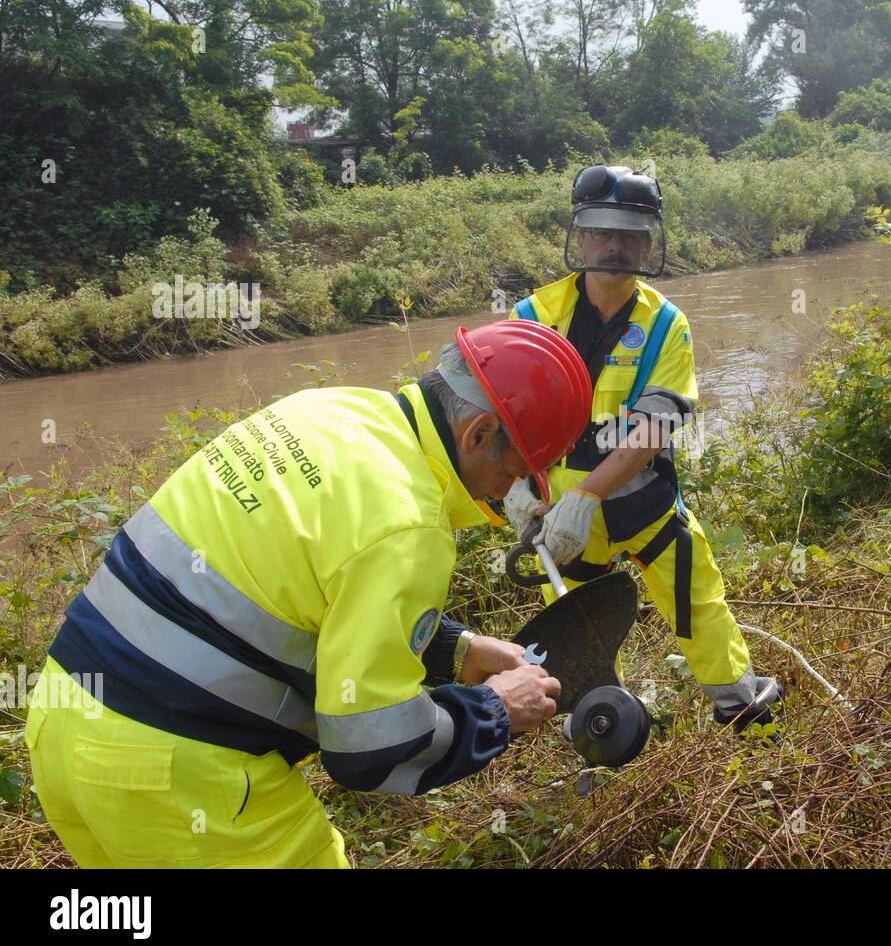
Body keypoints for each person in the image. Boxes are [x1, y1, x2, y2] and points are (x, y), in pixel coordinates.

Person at [24, 320, 592, 867]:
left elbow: (285, 592)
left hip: (62, 732)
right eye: (519, 471)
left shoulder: (324, 410)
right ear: (479, 433)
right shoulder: (409, 524)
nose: (508, 493)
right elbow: (370, 747)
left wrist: (454, 650)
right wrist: (497, 709)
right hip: (179, 779)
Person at [505, 164, 781, 732]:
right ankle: (601, 724)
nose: (614, 246)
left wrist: (589, 494)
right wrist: (514, 486)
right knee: (582, 624)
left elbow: (656, 425)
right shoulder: (531, 317)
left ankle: (740, 707)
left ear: (647, 243)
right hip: (561, 519)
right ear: (580, 237)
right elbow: (501, 415)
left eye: (629, 235)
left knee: (696, 599)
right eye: (602, 232)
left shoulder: (665, 325)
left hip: (642, 506)